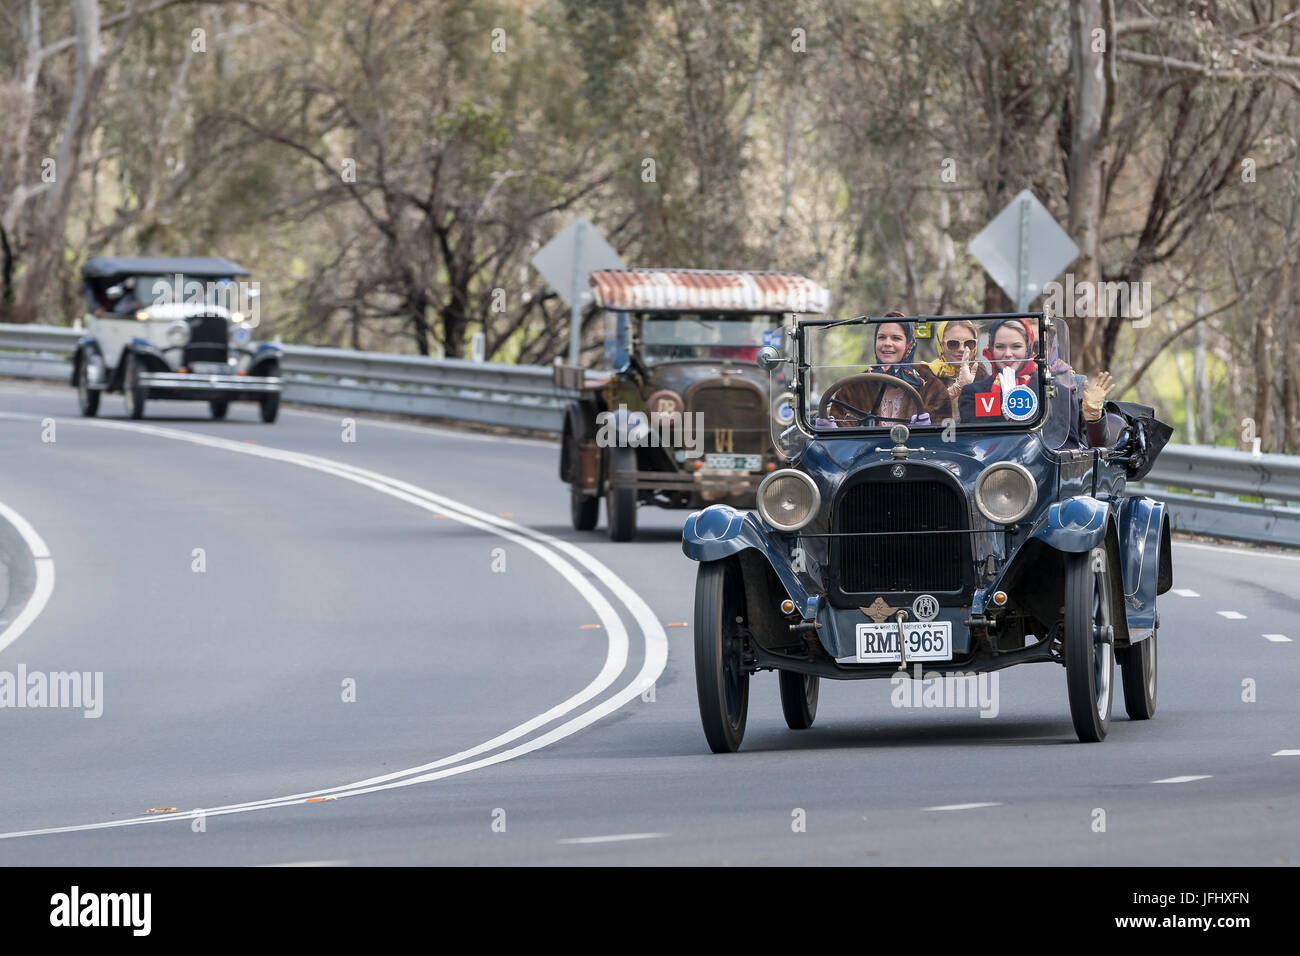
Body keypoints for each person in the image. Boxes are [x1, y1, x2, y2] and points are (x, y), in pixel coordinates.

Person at [824, 312, 949, 426]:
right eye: (882, 337)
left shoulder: (930, 386)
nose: (887, 343)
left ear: (908, 344)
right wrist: (831, 429)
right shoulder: (854, 387)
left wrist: (927, 431)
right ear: (875, 342)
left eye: (896, 338)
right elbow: (841, 436)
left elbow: (945, 434)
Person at [955, 317, 1038, 423]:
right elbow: (976, 436)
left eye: (1016, 346)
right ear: (991, 349)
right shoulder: (974, 393)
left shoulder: (1049, 390)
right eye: (1000, 347)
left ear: (1028, 349)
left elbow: (1057, 435)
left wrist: (1014, 409)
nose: (1008, 354)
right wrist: (1004, 412)